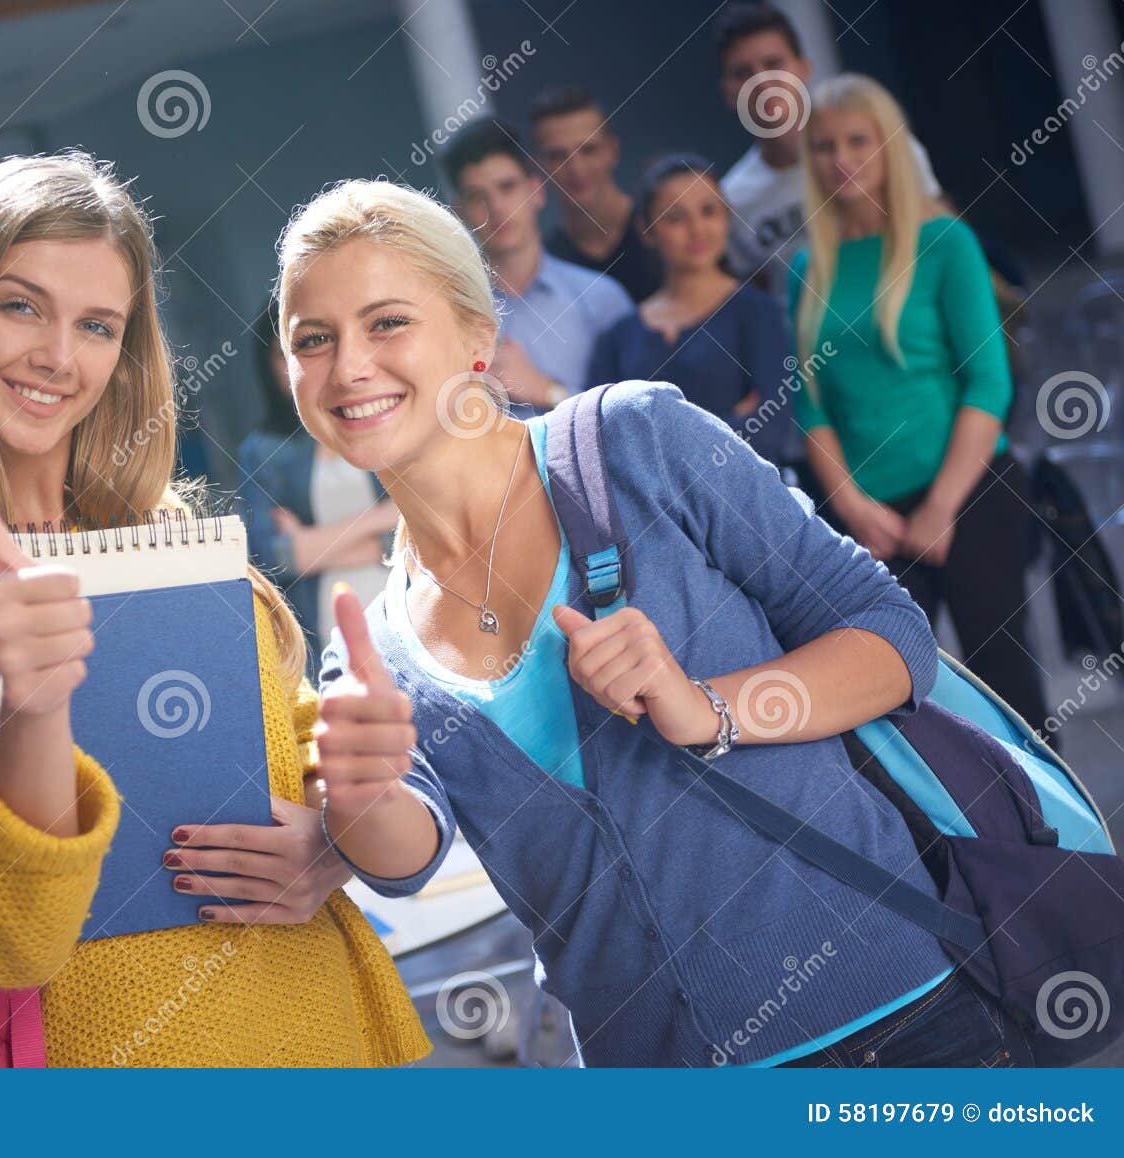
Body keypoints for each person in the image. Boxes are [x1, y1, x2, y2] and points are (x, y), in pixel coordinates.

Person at [274, 176, 1034, 1067]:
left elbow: (892, 633)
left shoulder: (635, 442)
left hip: (896, 1026)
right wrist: (357, 794)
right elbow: (404, 860)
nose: (349, 365)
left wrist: (707, 705)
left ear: (479, 338)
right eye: (311, 340)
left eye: (387, 322)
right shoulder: (375, 647)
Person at [0, 153, 428, 1067]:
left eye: (97, 325)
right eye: (20, 306)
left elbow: (304, 768)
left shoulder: (167, 532)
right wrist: (30, 706)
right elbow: (8, 940)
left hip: (327, 1028)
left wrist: (337, 833)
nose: (59, 357)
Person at [787, 74, 1051, 744]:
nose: (841, 159)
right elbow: (808, 408)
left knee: (1006, 687)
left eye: (858, 141)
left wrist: (940, 507)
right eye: (823, 145)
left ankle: (1059, 840)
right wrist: (852, 506)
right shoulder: (804, 270)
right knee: (888, 703)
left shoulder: (944, 243)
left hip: (970, 494)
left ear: (889, 148)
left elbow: (989, 384)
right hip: (867, 518)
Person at [714, 1, 942, 296]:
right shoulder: (732, 201)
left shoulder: (886, 147)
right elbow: (760, 301)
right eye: (743, 72)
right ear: (727, 92)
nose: (762, 81)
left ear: (804, 68)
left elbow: (940, 234)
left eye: (773, 64)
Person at [588, 154, 792, 464]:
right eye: (675, 217)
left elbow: (768, 436)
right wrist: (725, 423)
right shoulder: (618, 337)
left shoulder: (758, 312)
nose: (697, 228)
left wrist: (653, 447)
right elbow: (604, 445)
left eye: (709, 211)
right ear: (647, 230)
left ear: (727, 216)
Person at [239, 298, 397, 672]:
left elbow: (424, 535)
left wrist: (311, 545)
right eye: (281, 356)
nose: (292, 366)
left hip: (403, 619)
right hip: (321, 635)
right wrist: (383, 519)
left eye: (311, 345)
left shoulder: (380, 419)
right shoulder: (263, 451)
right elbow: (271, 561)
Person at [441, 118, 633, 419]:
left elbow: (636, 422)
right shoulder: (448, 315)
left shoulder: (602, 299)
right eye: (478, 197)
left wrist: (547, 390)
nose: (497, 208)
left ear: (536, 191)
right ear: (458, 213)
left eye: (507, 187)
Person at [530, 85, 665, 302]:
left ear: (613, 151)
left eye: (588, 150)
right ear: (539, 166)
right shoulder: (545, 265)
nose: (576, 168)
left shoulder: (666, 231)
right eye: (558, 156)